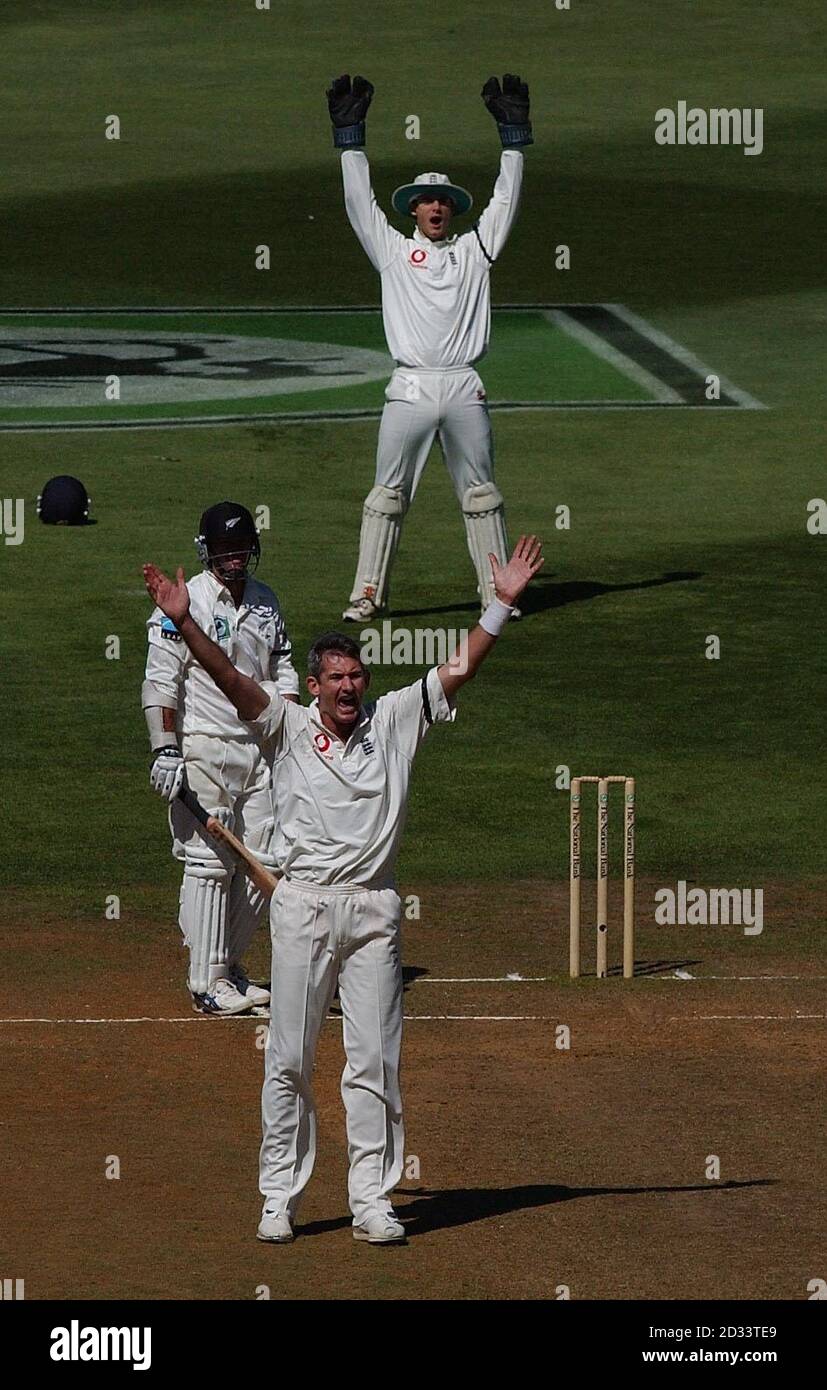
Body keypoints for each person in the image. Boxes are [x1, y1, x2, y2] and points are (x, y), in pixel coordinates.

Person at [143, 534, 544, 1243]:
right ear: (318, 685)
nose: (349, 687)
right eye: (336, 678)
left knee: (375, 1063)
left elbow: (459, 668)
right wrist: (184, 623)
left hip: (375, 910)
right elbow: (235, 686)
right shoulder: (285, 727)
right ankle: (279, 1198)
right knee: (289, 1059)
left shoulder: (395, 720)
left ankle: (371, 1201)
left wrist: (501, 605)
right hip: (301, 908)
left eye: (357, 676)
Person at [327, 71, 533, 622]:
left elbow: (507, 201)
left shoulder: (476, 250)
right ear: (412, 210)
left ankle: (498, 597)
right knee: (387, 496)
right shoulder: (392, 252)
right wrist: (351, 137)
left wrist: (513, 140)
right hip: (411, 383)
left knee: (482, 496)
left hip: (464, 384)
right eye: (426, 201)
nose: (436, 208)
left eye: (443, 201)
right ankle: (367, 594)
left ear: (453, 210)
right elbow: (357, 203)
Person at [142, 501, 299, 1016]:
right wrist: (165, 751)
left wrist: (290, 731)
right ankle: (205, 982)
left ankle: (227, 967)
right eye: (224, 549)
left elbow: (284, 672)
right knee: (210, 864)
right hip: (204, 747)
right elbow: (160, 682)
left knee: (265, 859)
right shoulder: (185, 603)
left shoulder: (267, 602)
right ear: (207, 550)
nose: (234, 558)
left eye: (241, 548)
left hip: (260, 751)